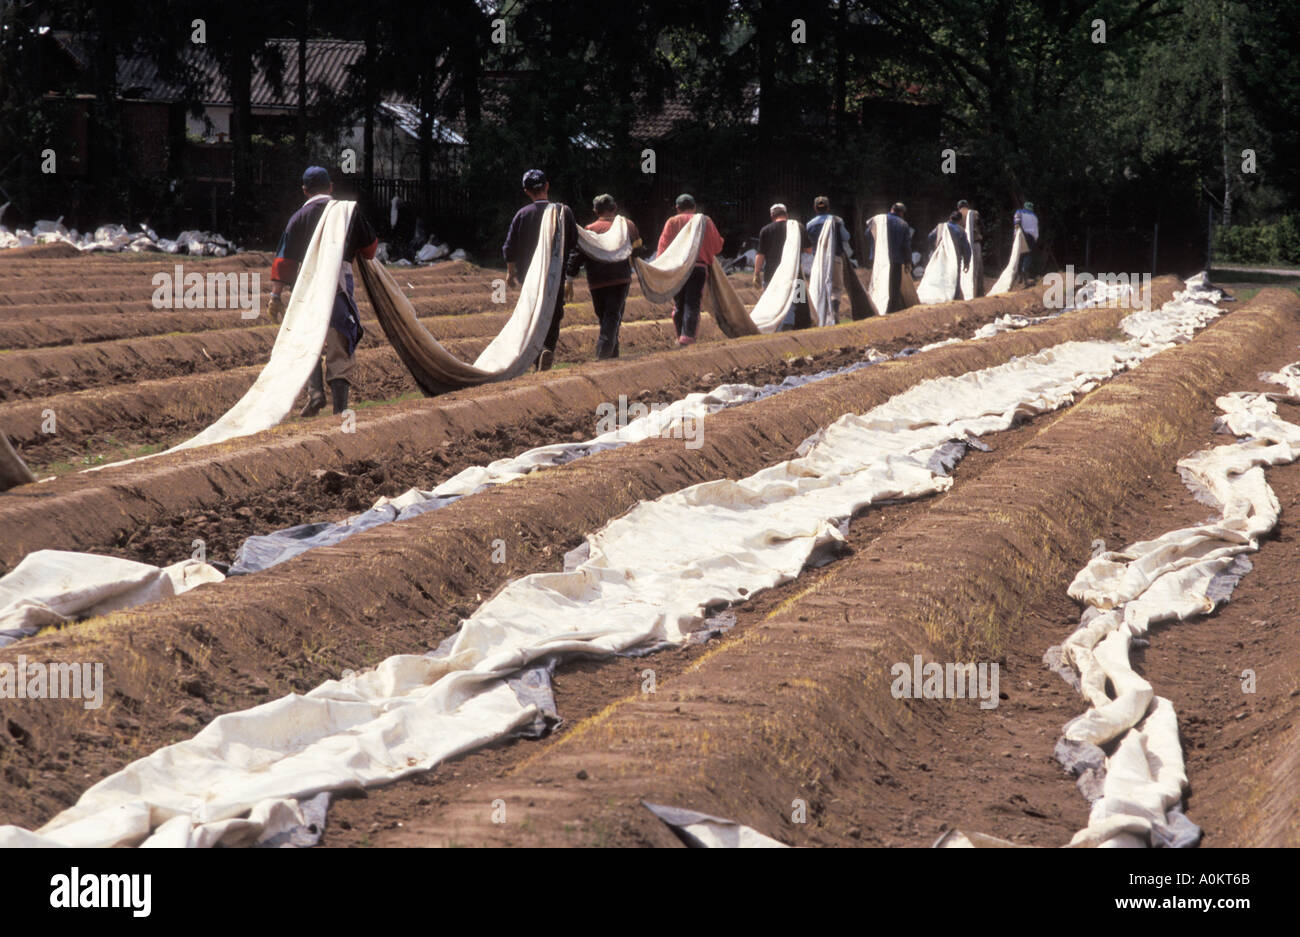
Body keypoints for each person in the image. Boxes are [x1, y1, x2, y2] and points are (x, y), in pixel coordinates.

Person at [267, 165, 378, 418]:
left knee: (307, 340)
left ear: (305, 191)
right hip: (338, 289)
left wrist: (275, 296)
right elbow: (371, 250)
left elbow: (284, 262)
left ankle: (315, 393)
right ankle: (340, 410)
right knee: (339, 342)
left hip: (306, 292)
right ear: (330, 187)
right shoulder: (348, 213)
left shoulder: (297, 219)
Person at [502, 169, 579, 370]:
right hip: (555, 277)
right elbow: (573, 243)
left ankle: (534, 354)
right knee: (553, 314)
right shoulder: (564, 212)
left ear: (527, 191)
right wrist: (569, 273)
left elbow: (509, 248)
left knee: (531, 315)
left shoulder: (522, 215)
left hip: (530, 279)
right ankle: (546, 349)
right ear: (547, 186)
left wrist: (510, 272)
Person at [565, 193, 642, 359]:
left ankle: (611, 354)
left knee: (605, 317)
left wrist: (569, 278)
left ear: (595, 210)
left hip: (597, 281)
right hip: (620, 279)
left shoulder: (589, 230)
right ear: (614, 208)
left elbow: (577, 255)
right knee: (613, 316)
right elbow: (637, 249)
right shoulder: (627, 225)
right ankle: (605, 355)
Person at [656, 193, 724, 347]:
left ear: (677, 208)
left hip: (677, 270)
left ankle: (680, 335)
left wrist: (659, 269)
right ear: (694, 207)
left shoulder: (672, 222)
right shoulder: (705, 221)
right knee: (692, 303)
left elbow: (663, 248)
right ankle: (687, 337)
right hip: (698, 268)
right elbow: (716, 246)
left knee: (679, 303)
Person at [754, 203, 813, 330]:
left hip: (771, 274)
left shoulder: (765, 230)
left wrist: (756, 273)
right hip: (795, 273)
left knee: (773, 303)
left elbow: (760, 254)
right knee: (799, 300)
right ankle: (795, 325)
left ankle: (780, 327)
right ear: (786, 214)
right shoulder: (797, 227)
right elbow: (809, 250)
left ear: (772, 216)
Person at [865, 202, 915, 313]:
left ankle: (874, 308)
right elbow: (906, 246)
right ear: (901, 213)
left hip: (878, 259)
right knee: (893, 288)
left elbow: (868, 234)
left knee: (877, 283)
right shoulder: (903, 224)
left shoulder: (878, 220)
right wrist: (908, 261)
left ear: (891, 209)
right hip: (895, 260)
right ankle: (890, 311)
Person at [927, 211, 972, 299]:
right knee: (954, 277)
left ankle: (940, 295)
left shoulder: (940, 227)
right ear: (959, 220)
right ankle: (954, 297)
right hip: (955, 258)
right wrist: (967, 262)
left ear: (949, 218)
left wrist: (936, 248)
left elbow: (930, 237)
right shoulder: (961, 230)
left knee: (941, 276)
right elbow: (966, 248)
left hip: (941, 257)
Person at [957, 199, 983, 297]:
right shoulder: (974, 213)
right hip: (975, 243)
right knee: (976, 268)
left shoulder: (957, 214)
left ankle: (965, 292)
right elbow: (981, 226)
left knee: (964, 268)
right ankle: (977, 293)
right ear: (967, 205)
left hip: (962, 244)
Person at [1013, 200, 1040, 287]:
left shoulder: (1019, 212)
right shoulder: (1035, 216)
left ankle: (1019, 274)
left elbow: (1016, 223)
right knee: (1028, 254)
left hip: (1022, 235)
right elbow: (1036, 229)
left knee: (1019, 254)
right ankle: (1024, 270)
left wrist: (1015, 236)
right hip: (1032, 237)